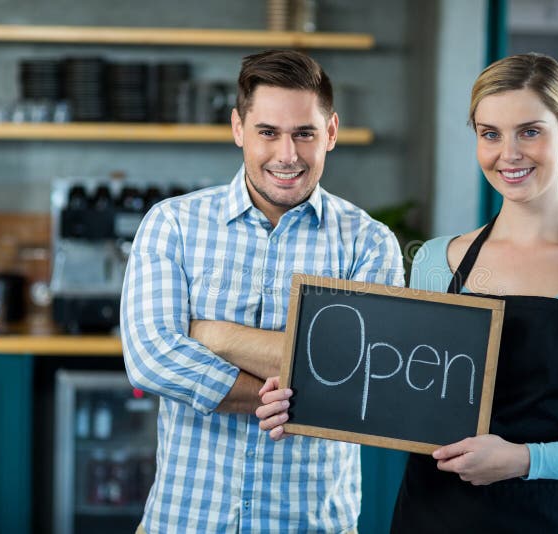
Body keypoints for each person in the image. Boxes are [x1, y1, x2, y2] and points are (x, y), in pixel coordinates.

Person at [257, 53, 558, 533]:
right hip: (427, 517)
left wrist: (522, 459)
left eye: (530, 131)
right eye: (490, 134)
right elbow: (392, 394)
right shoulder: (438, 261)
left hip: (546, 521)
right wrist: (302, 398)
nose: (509, 153)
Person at [121, 49, 404, 533]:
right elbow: (151, 357)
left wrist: (215, 336)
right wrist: (272, 396)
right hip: (188, 519)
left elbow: (368, 382)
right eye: (268, 133)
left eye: (305, 134)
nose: (287, 155)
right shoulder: (173, 225)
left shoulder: (369, 244)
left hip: (311, 523)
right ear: (238, 129)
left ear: (331, 132)